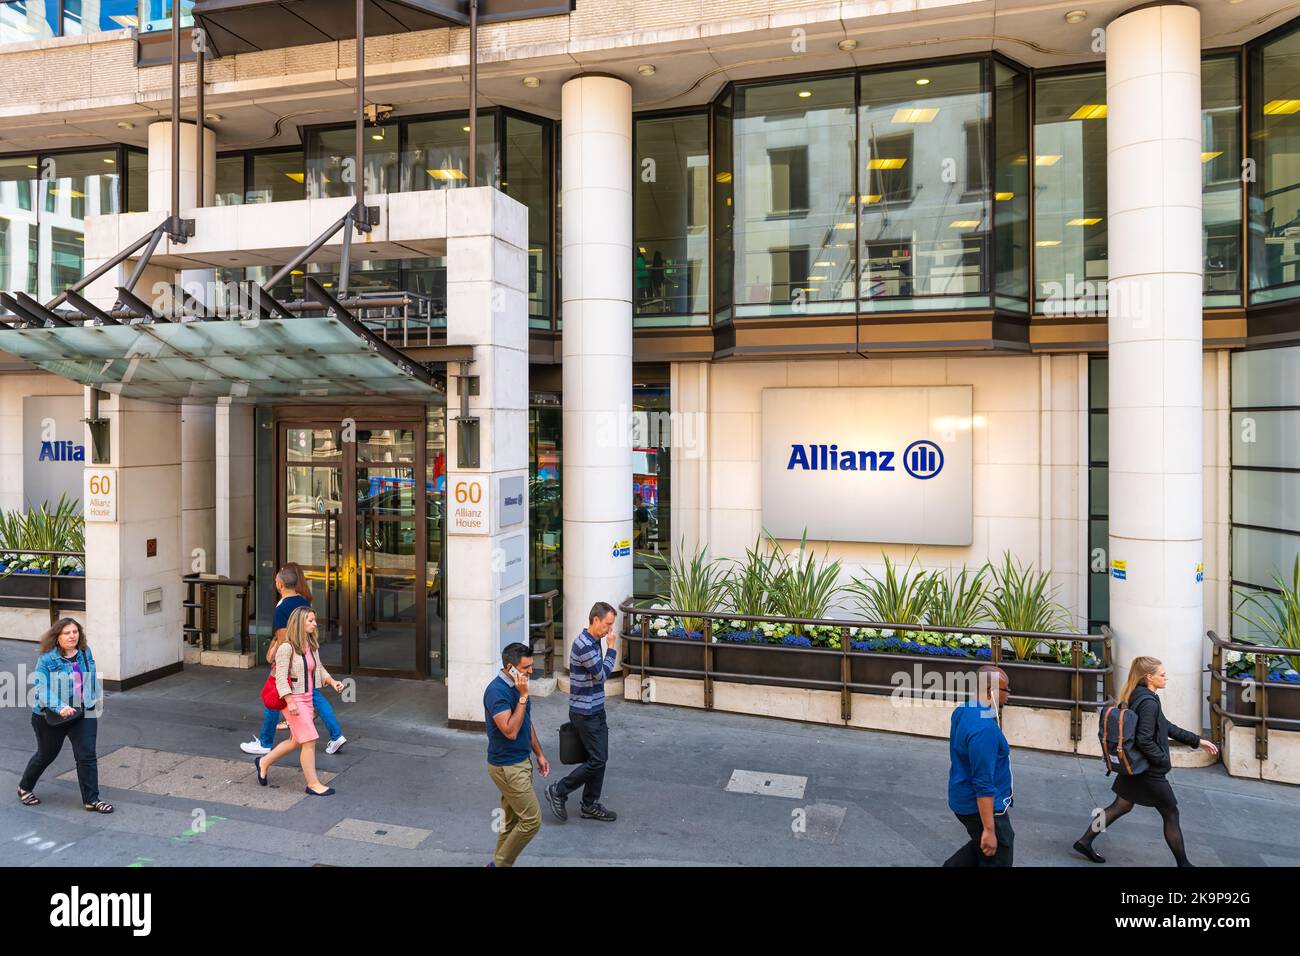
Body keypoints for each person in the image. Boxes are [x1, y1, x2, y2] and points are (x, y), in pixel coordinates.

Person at [1073, 656, 1219, 867]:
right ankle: (1184, 864)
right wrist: (1161, 760)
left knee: (1121, 806)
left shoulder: (1137, 694)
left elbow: (1165, 725)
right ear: (1149, 677)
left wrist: (1197, 741)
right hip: (1147, 769)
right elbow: (1144, 738)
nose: (1166, 678)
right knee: (1171, 812)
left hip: (1134, 764)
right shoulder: (1149, 701)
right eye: (1162, 674)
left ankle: (1085, 841)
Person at [242, 564, 346, 756]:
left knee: (274, 696)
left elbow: (283, 636)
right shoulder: (304, 601)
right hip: (307, 652)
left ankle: (265, 743)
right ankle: (336, 735)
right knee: (312, 694)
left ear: (280, 584)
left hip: (290, 657)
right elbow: (309, 627)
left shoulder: (281, 607)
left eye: (276, 581)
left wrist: (274, 652)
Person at [18, 618, 113, 813]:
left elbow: (89, 677)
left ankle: (92, 800)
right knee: (46, 755)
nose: (72, 636)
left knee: (86, 755)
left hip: (83, 711)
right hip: (52, 716)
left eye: (75, 632)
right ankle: (24, 787)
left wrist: (92, 698)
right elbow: (41, 689)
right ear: (57, 637)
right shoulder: (47, 659)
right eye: (67, 633)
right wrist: (60, 706)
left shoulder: (85, 652)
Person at [254, 607, 345, 796]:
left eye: (314, 620)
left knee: (296, 740)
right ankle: (312, 784)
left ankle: (263, 762)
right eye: (310, 620)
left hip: (307, 697)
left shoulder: (311, 645)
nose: (314, 623)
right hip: (293, 700)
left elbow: (318, 669)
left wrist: (332, 681)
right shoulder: (286, 648)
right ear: (299, 623)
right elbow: (280, 678)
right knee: (310, 739)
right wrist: (289, 701)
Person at [544, 602, 619, 823]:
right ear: (595, 620)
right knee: (597, 759)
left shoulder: (595, 641)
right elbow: (602, 675)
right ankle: (559, 790)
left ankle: (590, 805)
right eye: (607, 624)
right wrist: (612, 648)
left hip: (596, 709)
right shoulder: (584, 645)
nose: (609, 630)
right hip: (585, 713)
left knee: (599, 759)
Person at [484, 643, 550, 867]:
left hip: (521, 762)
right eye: (526, 668)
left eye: (531, 666)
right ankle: (499, 864)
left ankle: (499, 864)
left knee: (510, 821)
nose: (531, 671)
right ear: (510, 668)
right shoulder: (496, 692)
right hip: (507, 767)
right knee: (532, 820)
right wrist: (522, 696)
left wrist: (539, 754)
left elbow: (525, 723)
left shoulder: (519, 684)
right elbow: (511, 731)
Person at [943, 665, 1013, 866]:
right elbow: (983, 783)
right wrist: (989, 830)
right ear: (990, 690)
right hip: (985, 807)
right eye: (1005, 690)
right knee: (999, 852)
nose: (1008, 695)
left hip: (961, 796)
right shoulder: (984, 729)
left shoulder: (964, 710)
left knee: (980, 848)